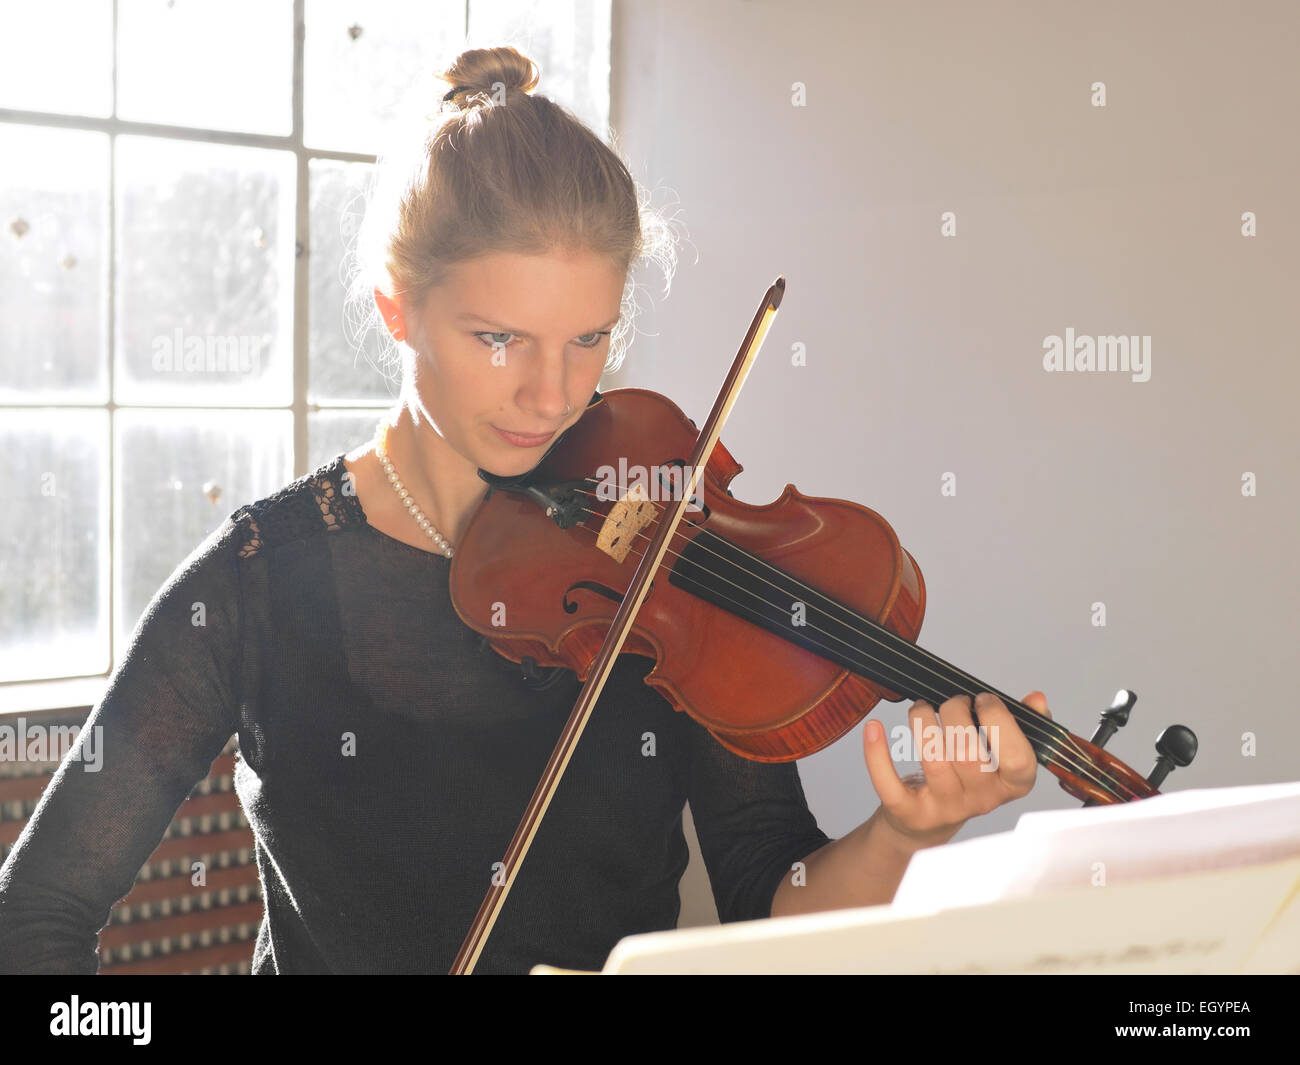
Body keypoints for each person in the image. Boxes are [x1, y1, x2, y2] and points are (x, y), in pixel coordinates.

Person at [0, 45, 1050, 975]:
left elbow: (768, 903)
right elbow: (33, 922)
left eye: (588, 339)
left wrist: (902, 834)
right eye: (499, 339)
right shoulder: (256, 581)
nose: (554, 396)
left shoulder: (666, 568)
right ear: (396, 309)